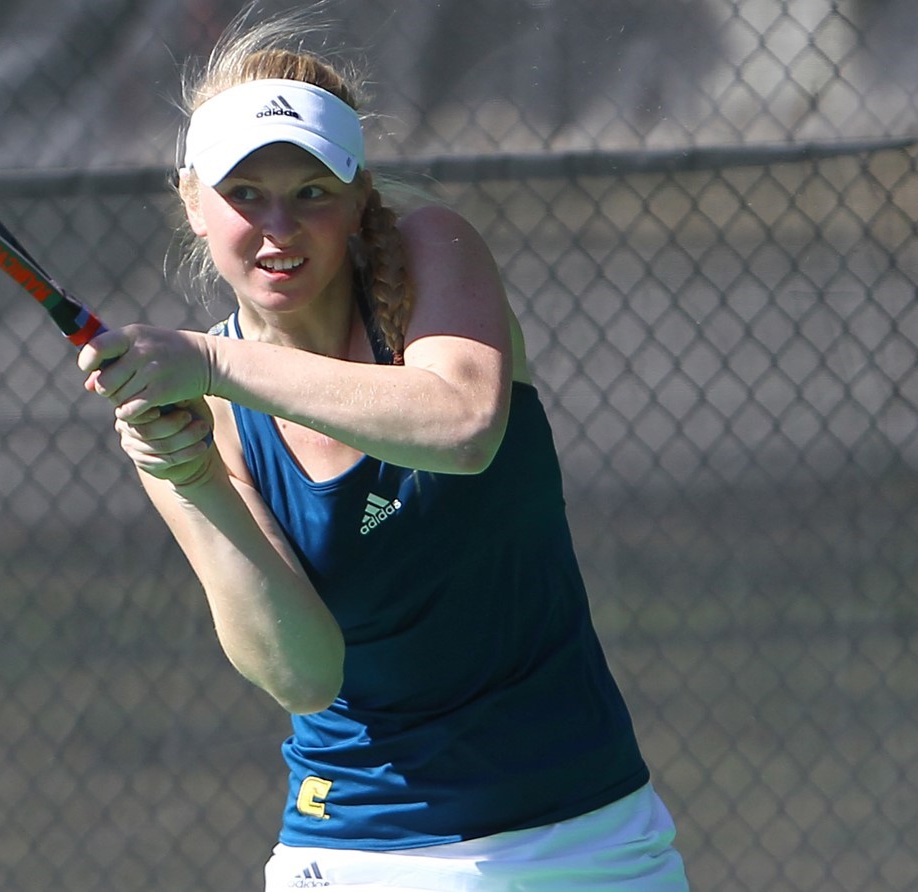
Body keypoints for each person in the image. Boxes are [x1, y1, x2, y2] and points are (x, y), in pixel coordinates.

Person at [78, 8, 690, 890]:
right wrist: (187, 475)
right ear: (192, 201)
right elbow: (300, 675)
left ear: (359, 194)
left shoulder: (433, 249)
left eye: (311, 192)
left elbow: (462, 426)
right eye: (244, 194)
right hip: (356, 847)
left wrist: (212, 361)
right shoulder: (195, 414)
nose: (278, 226)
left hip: (585, 839)